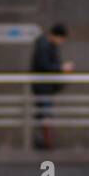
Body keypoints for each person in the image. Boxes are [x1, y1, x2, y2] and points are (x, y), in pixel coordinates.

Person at [30, 22, 74, 150]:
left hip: (44, 87)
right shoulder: (45, 46)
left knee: (44, 114)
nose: (62, 42)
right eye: (62, 38)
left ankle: (45, 142)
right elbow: (44, 65)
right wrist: (61, 68)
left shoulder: (46, 45)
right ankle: (46, 143)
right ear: (57, 36)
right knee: (45, 114)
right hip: (43, 87)